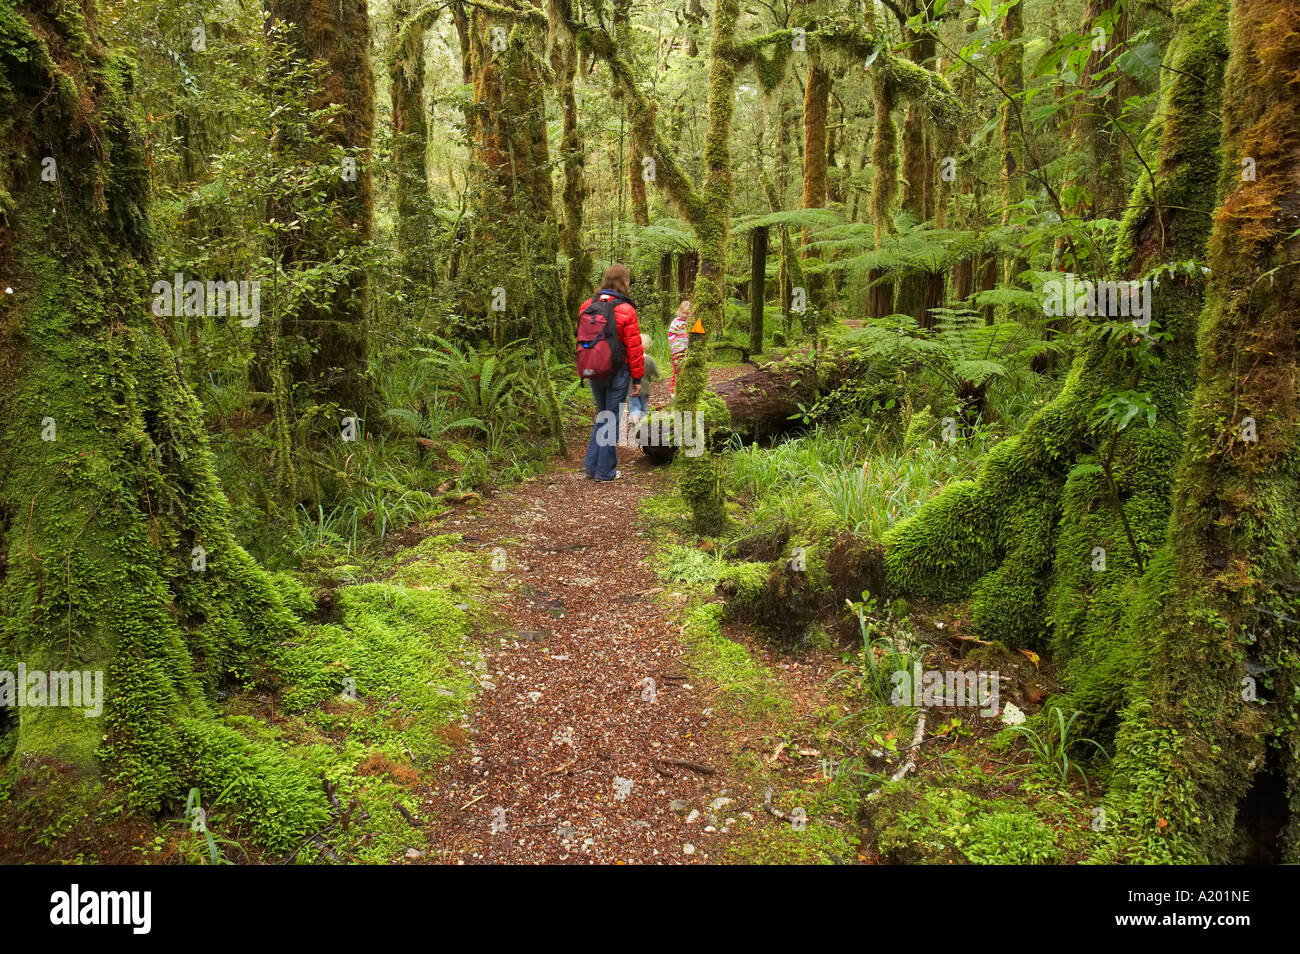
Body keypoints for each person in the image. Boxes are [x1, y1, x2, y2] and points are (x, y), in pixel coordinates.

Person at [580, 265, 644, 481]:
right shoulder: (627, 310)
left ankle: (591, 466)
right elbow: (634, 349)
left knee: (602, 415)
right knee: (610, 418)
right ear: (624, 281)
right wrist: (637, 379)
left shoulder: (587, 305)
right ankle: (605, 471)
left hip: (594, 369)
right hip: (618, 371)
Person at [667, 300, 691, 398]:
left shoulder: (690, 323)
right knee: (677, 370)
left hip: (687, 351)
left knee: (685, 370)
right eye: (683, 313)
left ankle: (684, 389)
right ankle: (673, 391)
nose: (685, 315)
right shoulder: (676, 322)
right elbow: (671, 334)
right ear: (679, 311)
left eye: (687, 313)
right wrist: (679, 346)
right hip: (678, 351)